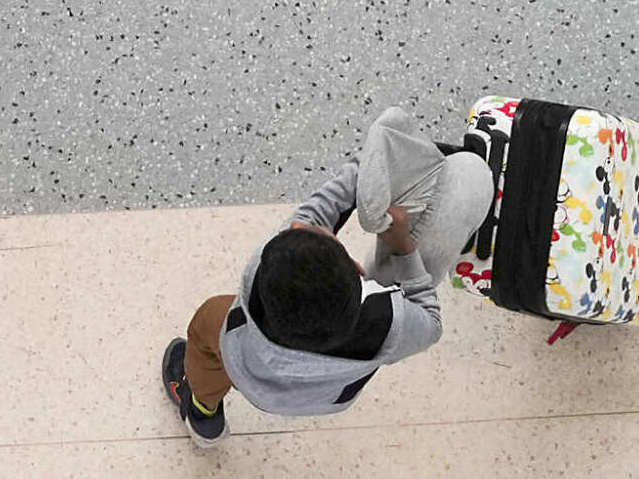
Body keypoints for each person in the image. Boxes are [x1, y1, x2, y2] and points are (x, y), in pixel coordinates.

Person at [163, 117, 497, 441]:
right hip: (331, 397)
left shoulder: (261, 272)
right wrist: (404, 247)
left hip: (250, 376)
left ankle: (203, 414)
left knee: (207, 323)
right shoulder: (387, 325)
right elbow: (431, 323)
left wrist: (362, 170)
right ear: (358, 273)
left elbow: (312, 215)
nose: (308, 225)